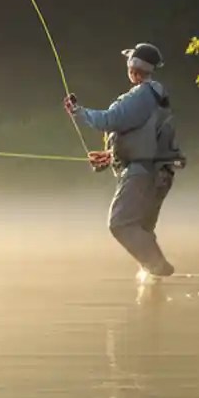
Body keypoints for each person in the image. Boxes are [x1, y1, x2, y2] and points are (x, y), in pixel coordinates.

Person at [63, 43, 185, 279]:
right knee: (142, 232)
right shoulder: (153, 97)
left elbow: (110, 120)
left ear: (134, 67)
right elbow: (146, 138)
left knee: (120, 224)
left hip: (143, 174)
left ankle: (159, 270)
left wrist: (78, 111)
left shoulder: (143, 95)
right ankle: (155, 293)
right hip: (157, 173)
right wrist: (110, 157)